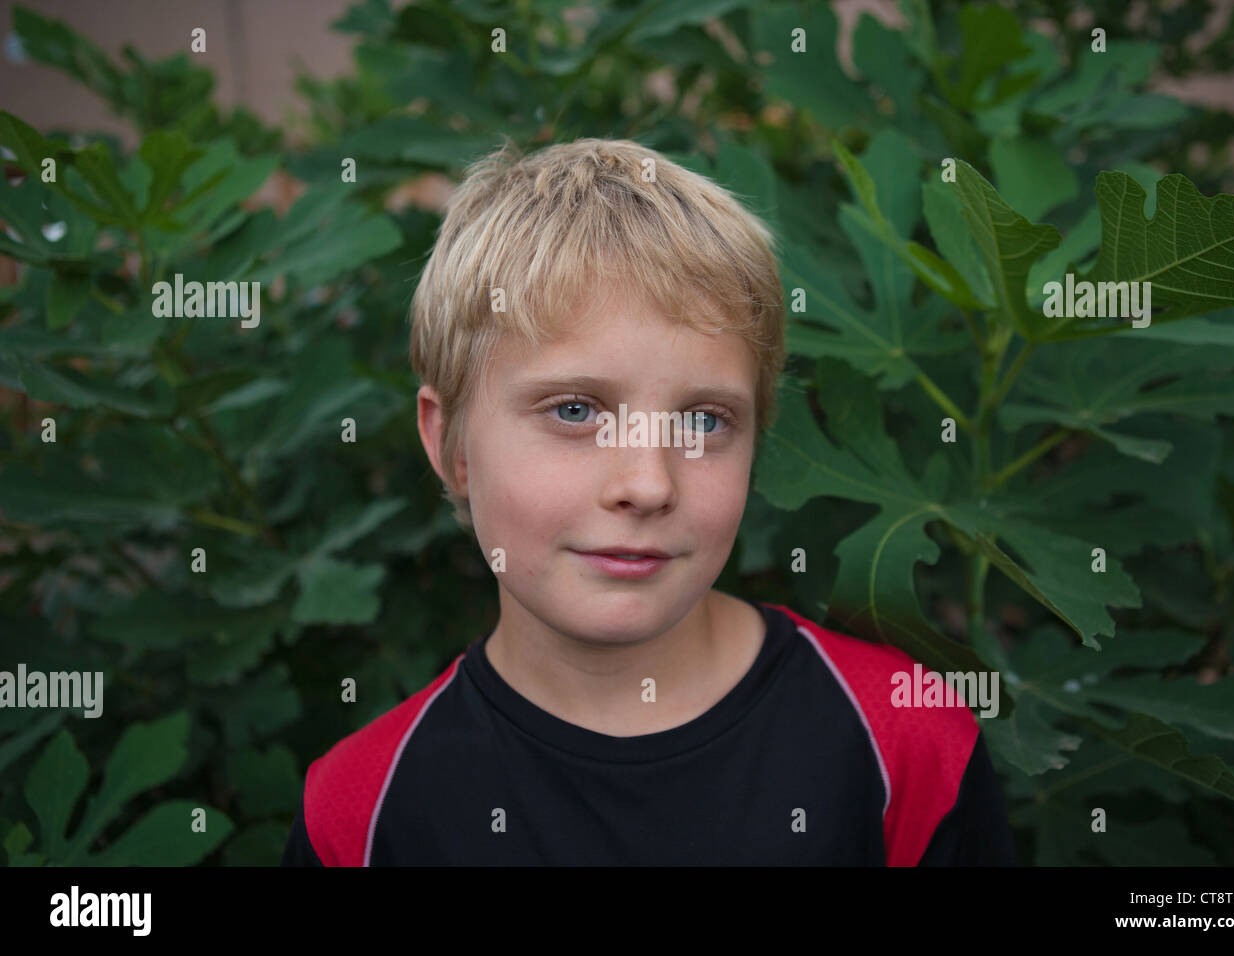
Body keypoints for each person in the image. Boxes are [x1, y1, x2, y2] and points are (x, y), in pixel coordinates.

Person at [282, 138, 1016, 866]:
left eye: (703, 421)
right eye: (574, 411)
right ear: (451, 444)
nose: (649, 484)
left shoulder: (906, 740)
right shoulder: (359, 813)